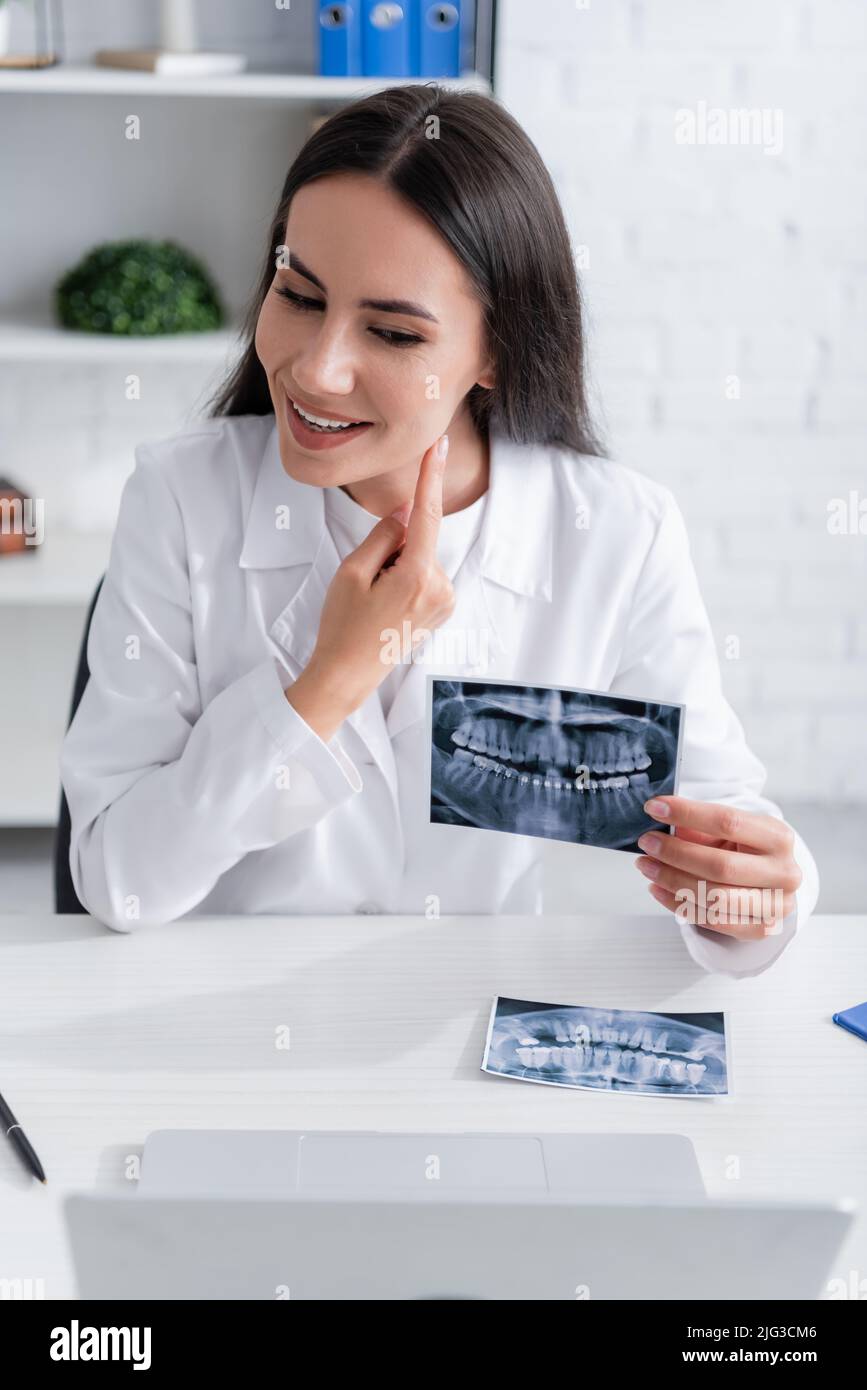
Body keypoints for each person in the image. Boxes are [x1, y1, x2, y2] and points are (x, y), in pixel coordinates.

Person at [60, 84, 814, 975]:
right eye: (298, 295)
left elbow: (724, 824)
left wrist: (758, 895)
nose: (316, 369)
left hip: (461, 1017)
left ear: (497, 348)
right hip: (215, 1012)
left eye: (390, 332)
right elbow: (118, 879)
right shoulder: (180, 498)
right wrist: (329, 681)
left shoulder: (615, 533)